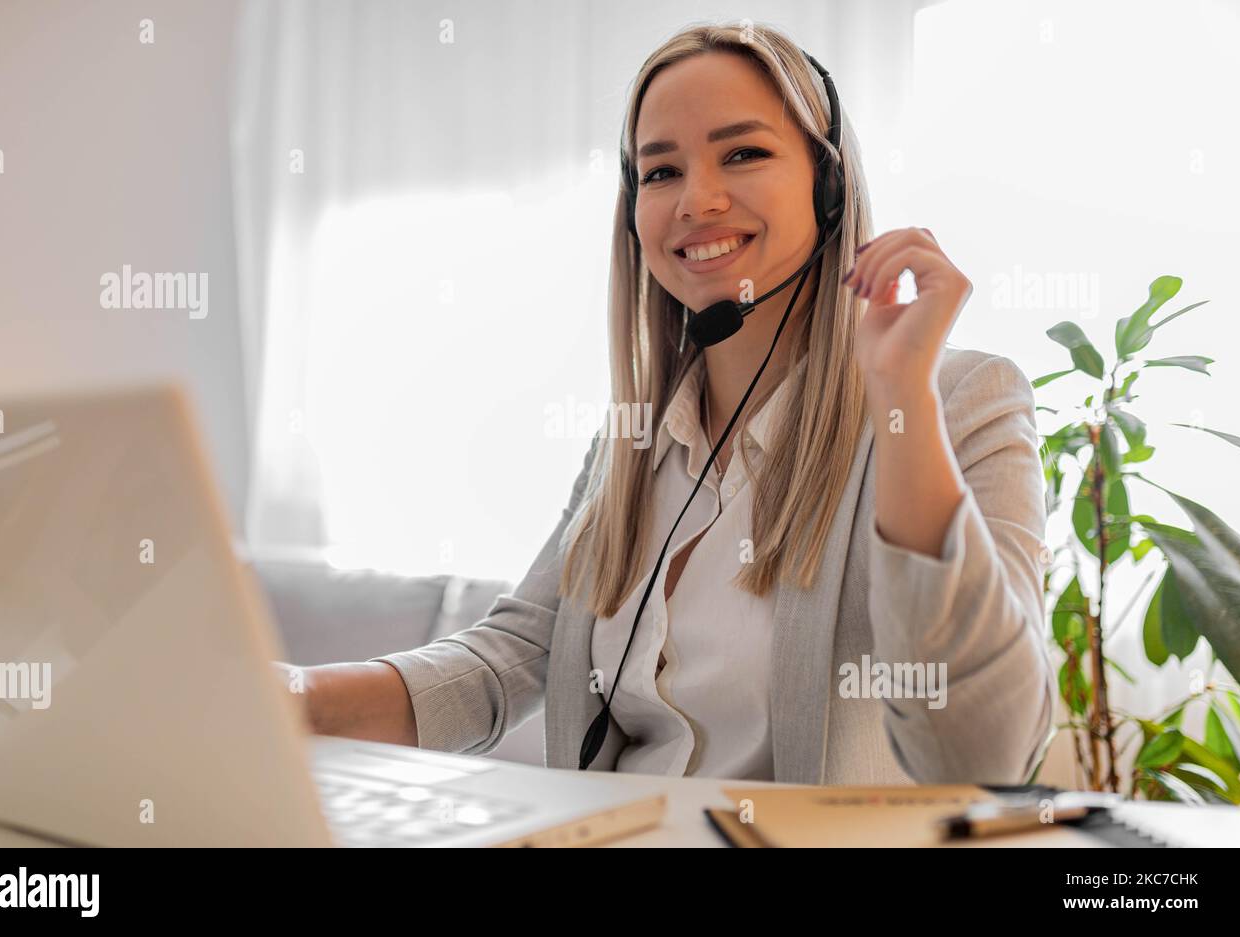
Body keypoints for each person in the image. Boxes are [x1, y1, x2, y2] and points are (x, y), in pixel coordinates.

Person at [276, 22, 1054, 785]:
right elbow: (507, 658)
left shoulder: (959, 403)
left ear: (830, 186)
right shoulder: (635, 443)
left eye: (743, 153)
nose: (697, 200)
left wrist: (901, 401)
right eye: (660, 172)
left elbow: (985, 754)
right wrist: (290, 695)